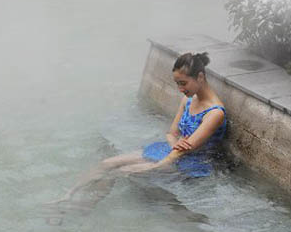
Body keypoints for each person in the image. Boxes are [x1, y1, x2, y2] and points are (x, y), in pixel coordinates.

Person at [52, 52, 226, 208]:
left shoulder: (214, 113)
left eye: (183, 83)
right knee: (107, 163)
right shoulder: (188, 100)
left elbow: (187, 150)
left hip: (190, 162)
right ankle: (67, 196)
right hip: (172, 151)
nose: (180, 89)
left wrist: (158, 165)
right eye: (177, 84)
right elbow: (171, 134)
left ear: (200, 77)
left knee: (121, 172)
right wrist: (174, 144)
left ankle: (86, 206)